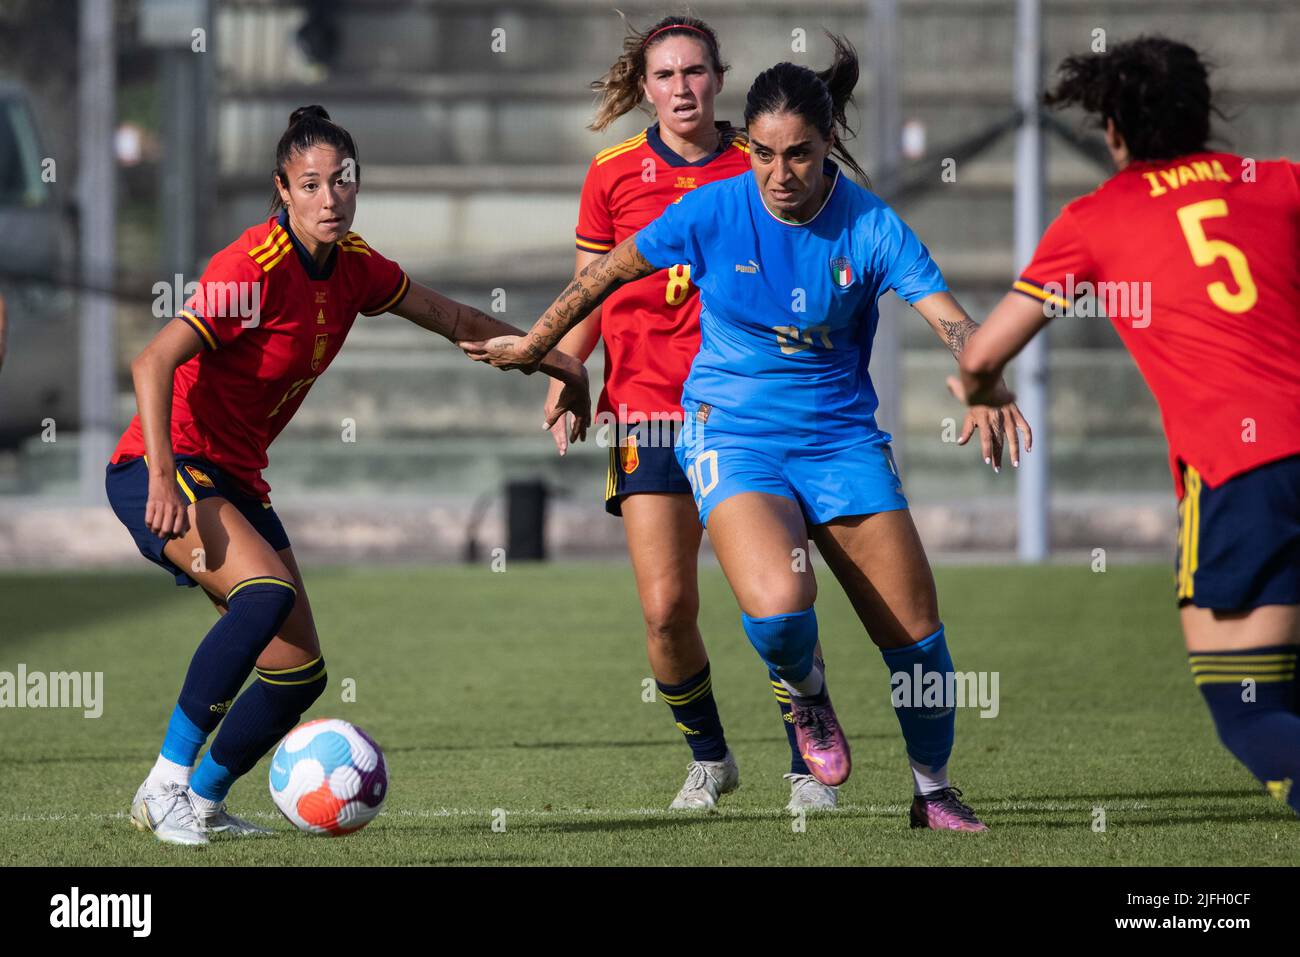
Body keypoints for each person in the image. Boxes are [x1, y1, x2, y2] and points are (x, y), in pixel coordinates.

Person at [464, 38, 1030, 830]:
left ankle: (933, 791)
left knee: (918, 641)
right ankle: (805, 700)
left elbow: (952, 319)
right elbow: (606, 271)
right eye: (762, 153)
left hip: (841, 441)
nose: (777, 174)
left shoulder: (870, 226)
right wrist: (539, 345)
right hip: (729, 430)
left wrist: (985, 376)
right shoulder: (712, 207)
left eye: (798, 155)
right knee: (779, 607)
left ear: (828, 143)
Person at [107, 105, 590, 845]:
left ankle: (201, 801)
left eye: (343, 180)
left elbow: (457, 319)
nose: (330, 196)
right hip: (163, 463)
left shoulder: (357, 266)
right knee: (263, 593)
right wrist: (164, 478)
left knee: (299, 673)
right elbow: (154, 359)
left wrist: (559, 360)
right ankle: (163, 783)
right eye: (311, 184)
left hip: (235, 476)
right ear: (283, 190)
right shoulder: (251, 268)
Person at [950, 36, 1300, 816]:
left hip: (1242, 477)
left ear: (1113, 131)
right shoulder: (1279, 183)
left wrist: (982, 388)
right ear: (1206, 113)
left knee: (1249, 708)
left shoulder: (1097, 218)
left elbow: (982, 352)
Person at [543, 14, 833, 811]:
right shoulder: (611, 173)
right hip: (646, 410)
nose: (682, 88)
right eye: (666, 75)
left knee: (774, 599)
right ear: (645, 86)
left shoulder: (763, 163)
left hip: (748, 411)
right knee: (667, 609)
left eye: (696, 72)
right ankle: (709, 758)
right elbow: (590, 286)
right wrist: (567, 369)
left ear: (719, 77)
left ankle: (807, 765)